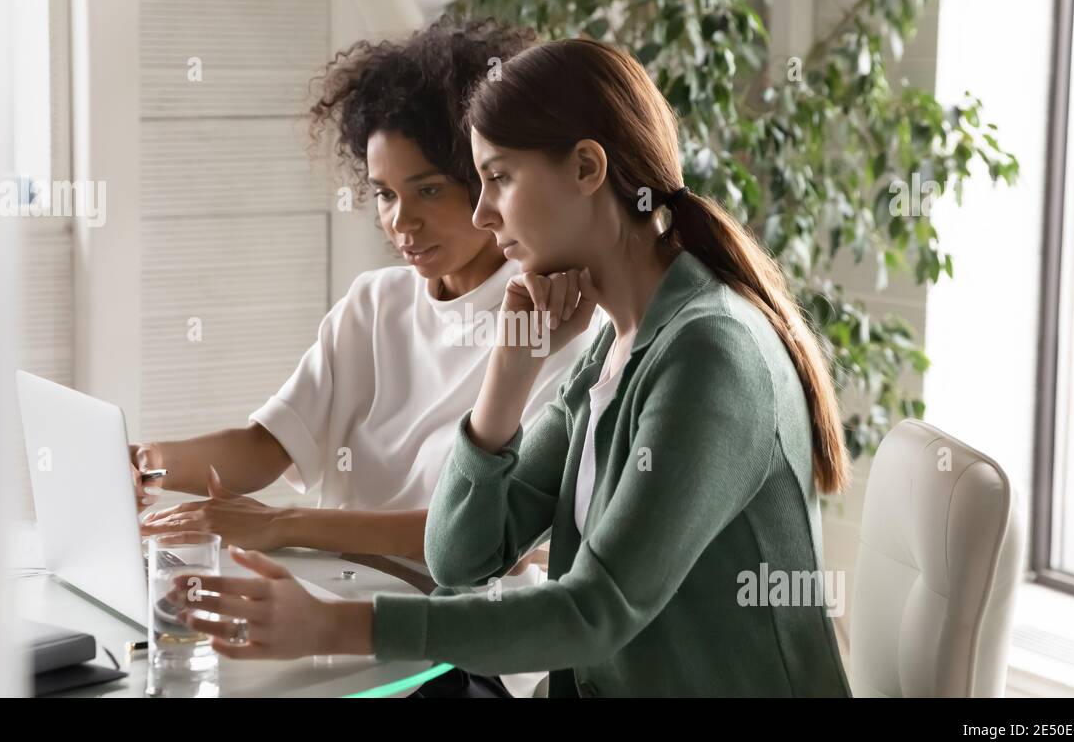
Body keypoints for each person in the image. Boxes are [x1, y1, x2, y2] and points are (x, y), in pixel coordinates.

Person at [174, 37, 853, 697]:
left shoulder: (711, 354)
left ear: (588, 169)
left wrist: (340, 623)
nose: (481, 211)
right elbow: (460, 557)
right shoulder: (612, 347)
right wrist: (508, 375)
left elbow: (594, 613)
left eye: (498, 177)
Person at [135, 19, 595, 698]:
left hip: (456, 649)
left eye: (429, 189)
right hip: (331, 601)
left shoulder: (551, 324)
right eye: (384, 193)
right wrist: (148, 462)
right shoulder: (376, 303)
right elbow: (268, 444)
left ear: (490, 179)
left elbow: (474, 539)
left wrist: (280, 523)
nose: (400, 223)